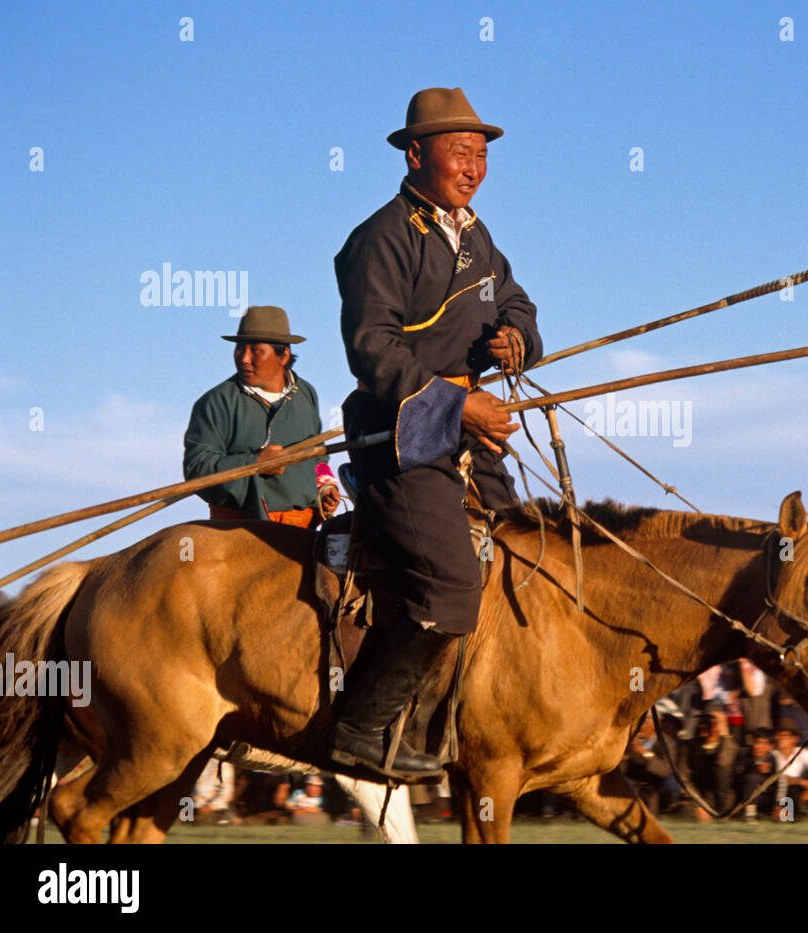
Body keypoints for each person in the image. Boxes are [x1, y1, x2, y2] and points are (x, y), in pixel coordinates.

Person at [330, 87, 542, 780]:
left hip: (463, 436)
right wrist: (458, 405)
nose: (474, 166)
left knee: (526, 557)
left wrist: (518, 341)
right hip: (397, 437)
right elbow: (373, 347)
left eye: (481, 154)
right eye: (460, 152)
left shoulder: (478, 240)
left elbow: (517, 304)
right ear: (416, 154)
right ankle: (360, 726)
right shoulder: (379, 238)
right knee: (453, 581)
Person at [183, 306, 341, 526]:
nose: (244, 358)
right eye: (240, 348)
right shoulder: (215, 402)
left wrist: (325, 487)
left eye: (255, 350)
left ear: (283, 355)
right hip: (236, 531)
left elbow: (316, 456)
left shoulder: (306, 394)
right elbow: (197, 469)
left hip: (301, 529)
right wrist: (255, 463)